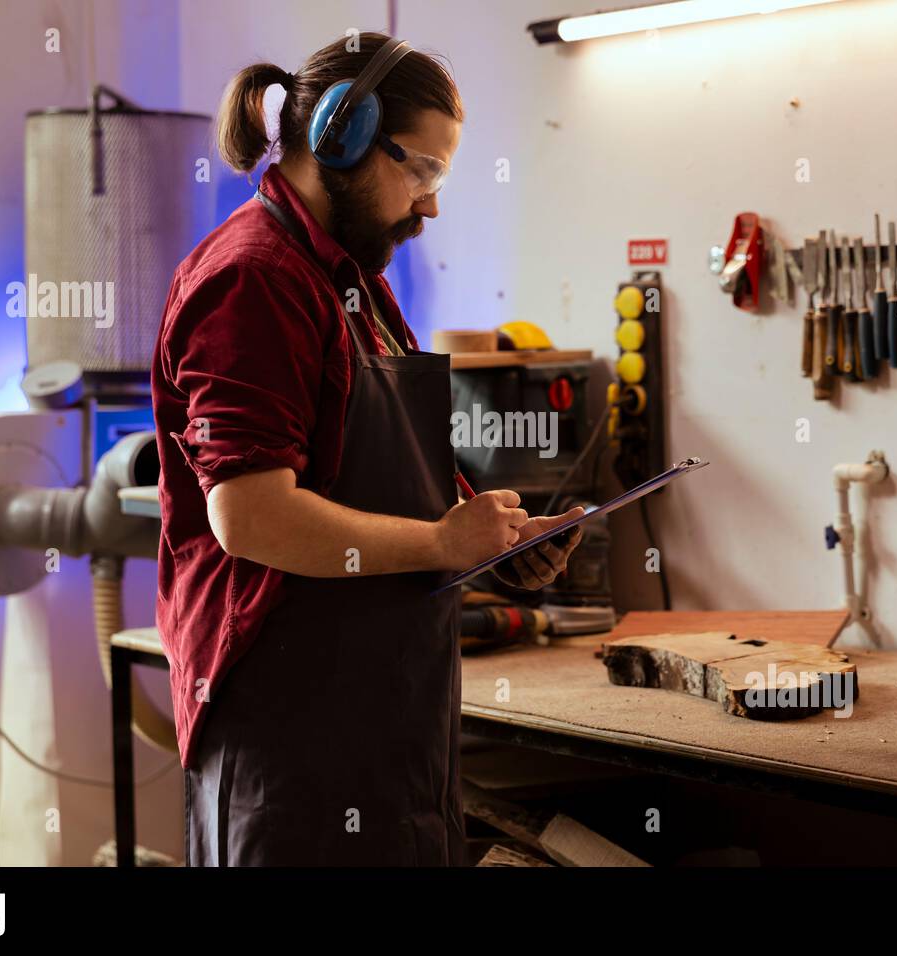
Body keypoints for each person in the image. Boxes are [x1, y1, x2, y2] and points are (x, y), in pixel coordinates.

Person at [150, 32, 583, 866]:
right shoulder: (253, 278)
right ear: (341, 137)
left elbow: (376, 463)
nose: (430, 206)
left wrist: (484, 537)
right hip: (289, 715)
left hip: (386, 705)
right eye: (420, 171)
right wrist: (437, 544)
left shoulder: (350, 278)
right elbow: (250, 515)